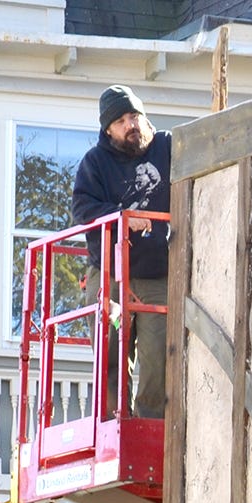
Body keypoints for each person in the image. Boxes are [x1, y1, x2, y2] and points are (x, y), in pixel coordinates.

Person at [72, 85, 171, 419]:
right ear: (108, 129)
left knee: (160, 356)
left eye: (135, 116)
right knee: (111, 353)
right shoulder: (95, 163)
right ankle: (115, 424)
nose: (132, 125)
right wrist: (121, 218)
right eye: (122, 120)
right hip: (111, 277)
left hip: (157, 273)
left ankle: (151, 427)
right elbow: (83, 209)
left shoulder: (167, 147)